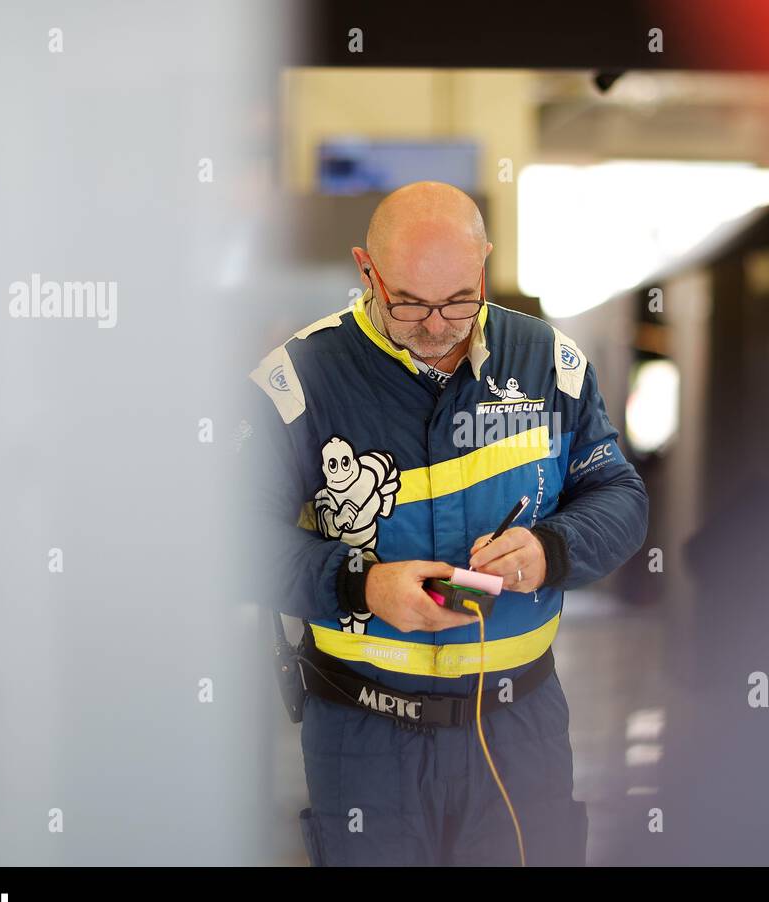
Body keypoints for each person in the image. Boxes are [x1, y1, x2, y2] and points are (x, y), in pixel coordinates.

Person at [244, 181, 648, 866]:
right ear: (365, 270)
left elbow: (620, 495)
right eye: (408, 303)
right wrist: (360, 587)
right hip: (363, 739)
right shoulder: (299, 382)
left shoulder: (548, 364)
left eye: (459, 299)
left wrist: (552, 548)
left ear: (484, 263)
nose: (436, 326)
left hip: (522, 731)